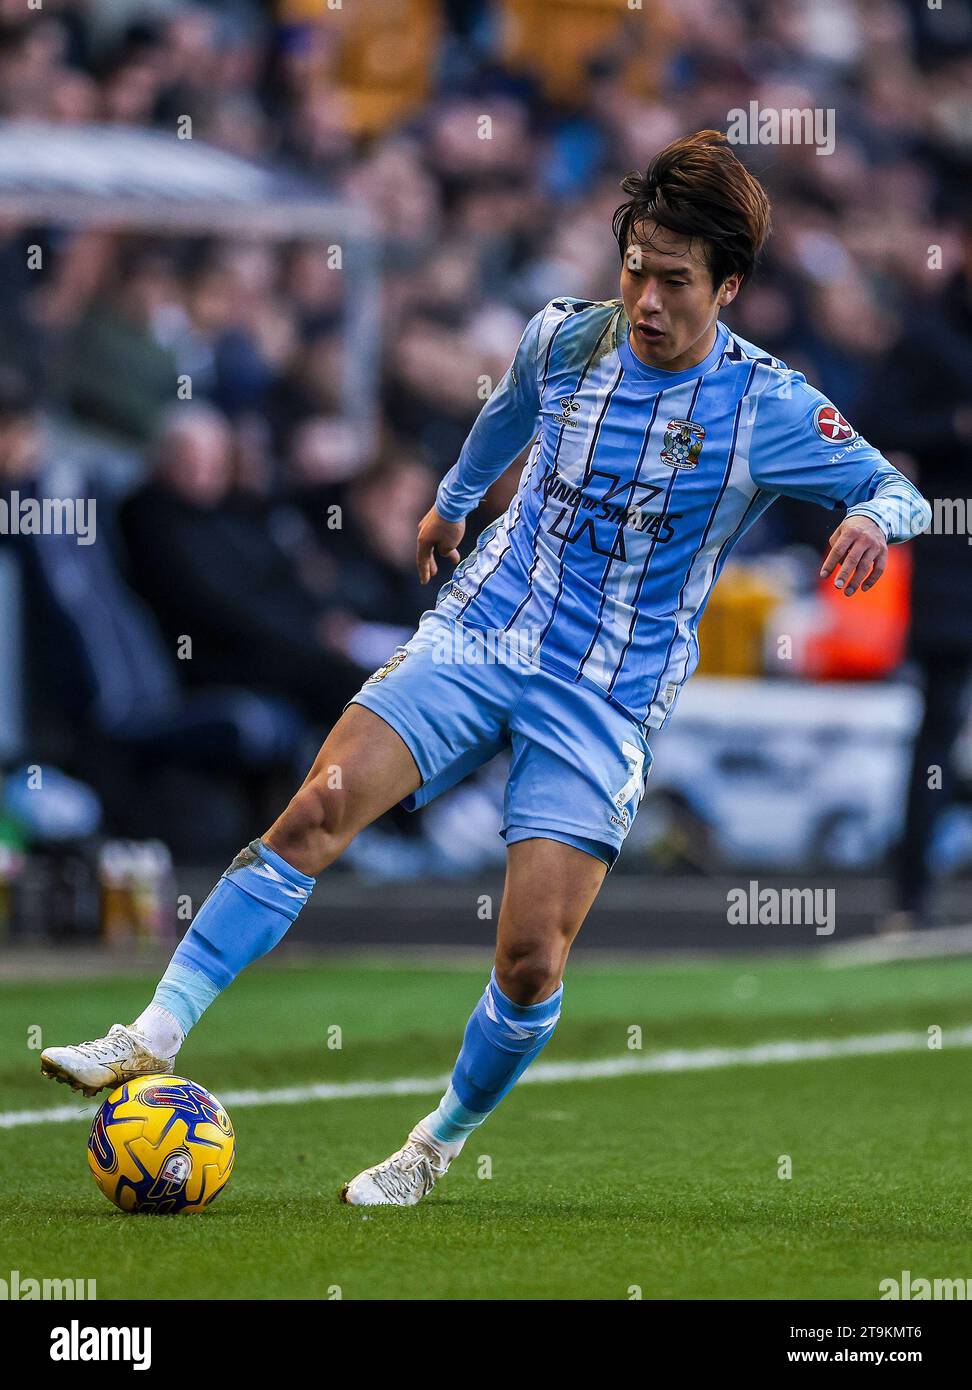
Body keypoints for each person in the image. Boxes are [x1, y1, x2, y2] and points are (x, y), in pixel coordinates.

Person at [40, 131, 930, 1206]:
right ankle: (151, 1031)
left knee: (529, 962)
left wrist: (874, 523)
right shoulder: (565, 338)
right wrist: (454, 501)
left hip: (604, 693)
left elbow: (898, 487)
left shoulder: (767, 407)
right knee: (316, 808)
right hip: (484, 631)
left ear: (727, 287)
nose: (646, 297)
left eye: (675, 281)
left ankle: (434, 1144)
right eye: (636, 267)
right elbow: (506, 412)